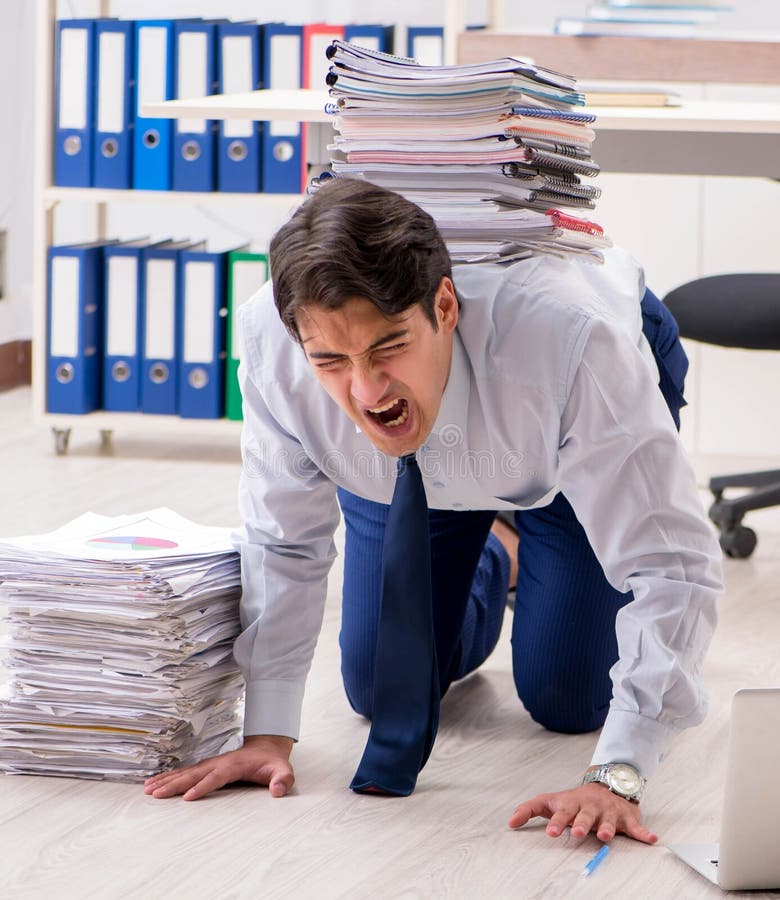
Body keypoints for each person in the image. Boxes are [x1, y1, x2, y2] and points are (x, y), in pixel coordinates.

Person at [144, 178, 723, 845]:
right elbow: (285, 544)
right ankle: (500, 552)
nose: (364, 388)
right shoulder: (275, 346)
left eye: (387, 347)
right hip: (403, 465)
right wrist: (268, 732)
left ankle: (517, 524)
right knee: (373, 683)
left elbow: (671, 565)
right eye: (330, 359)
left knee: (569, 697)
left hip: (558, 443)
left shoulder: (578, 342)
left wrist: (619, 771)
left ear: (445, 306)